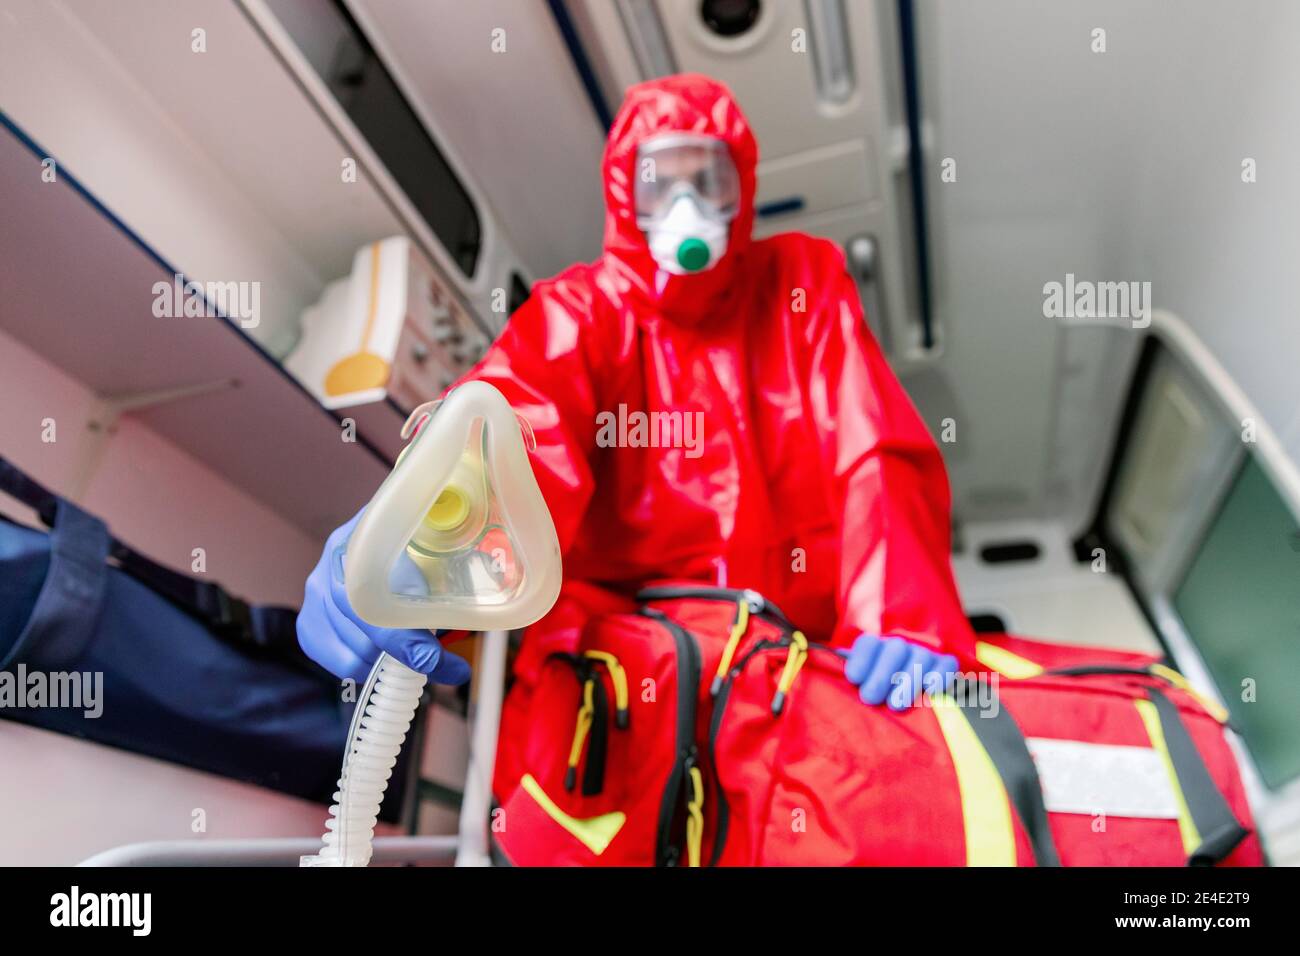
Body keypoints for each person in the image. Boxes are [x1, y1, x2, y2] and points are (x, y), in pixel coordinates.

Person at [299, 74, 974, 744]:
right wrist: (424, 538)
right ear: (626, 191)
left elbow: (874, 450)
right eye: (660, 181)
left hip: (801, 669)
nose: (686, 203)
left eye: (708, 179)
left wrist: (899, 616)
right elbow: (520, 428)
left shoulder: (803, 285)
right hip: (626, 685)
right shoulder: (581, 314)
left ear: (741, 186)